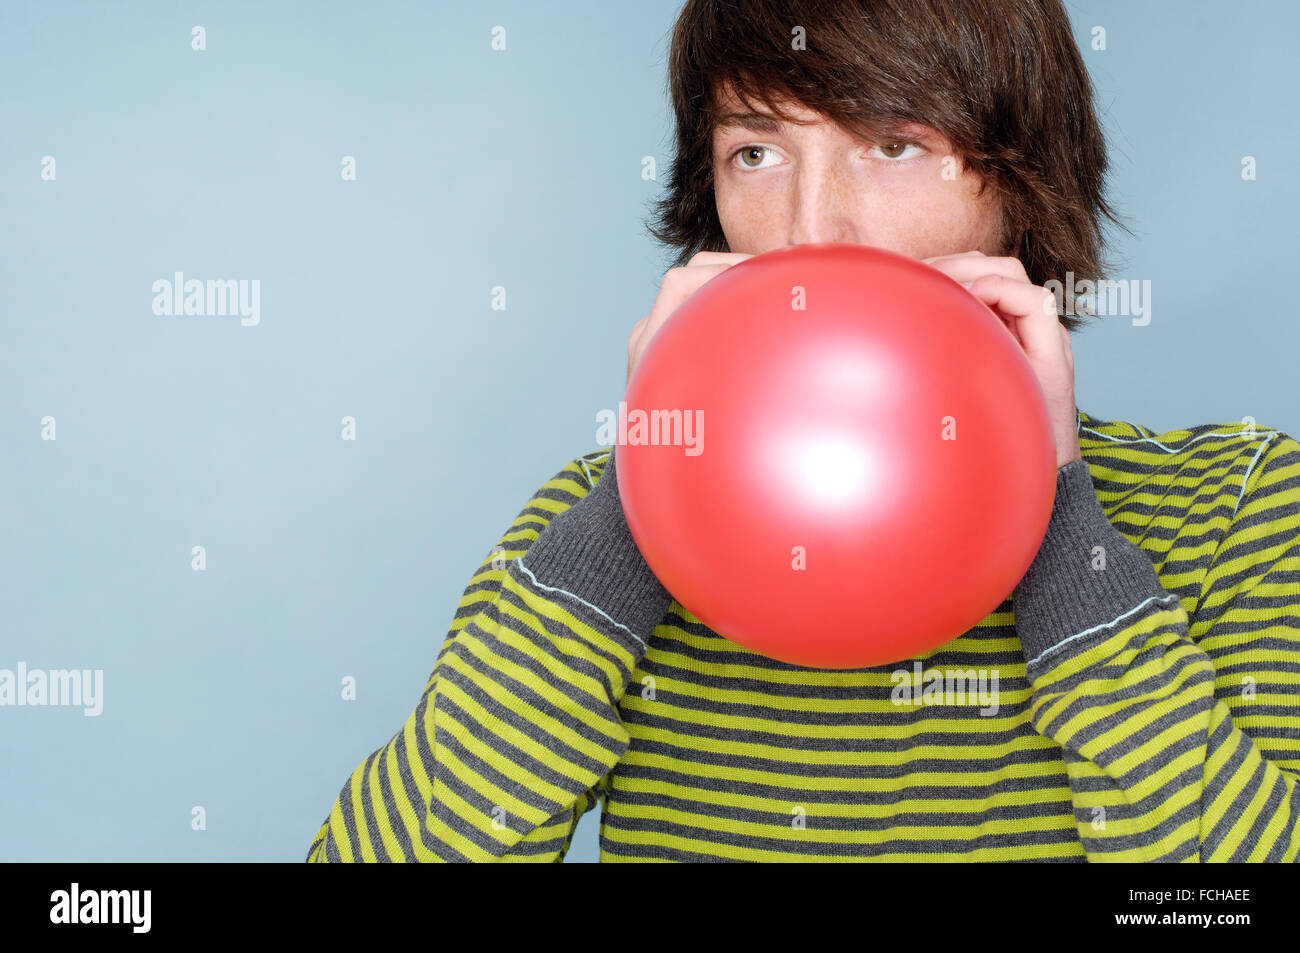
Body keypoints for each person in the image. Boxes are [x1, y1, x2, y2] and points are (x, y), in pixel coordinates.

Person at [306, 0, 1300, 862]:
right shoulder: (589, 529)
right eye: (756, 152)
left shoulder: (1235, 507)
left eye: (893, 144)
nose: (812, 228)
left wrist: (1056, 525)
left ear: (1020, 180)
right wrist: (645, 499)